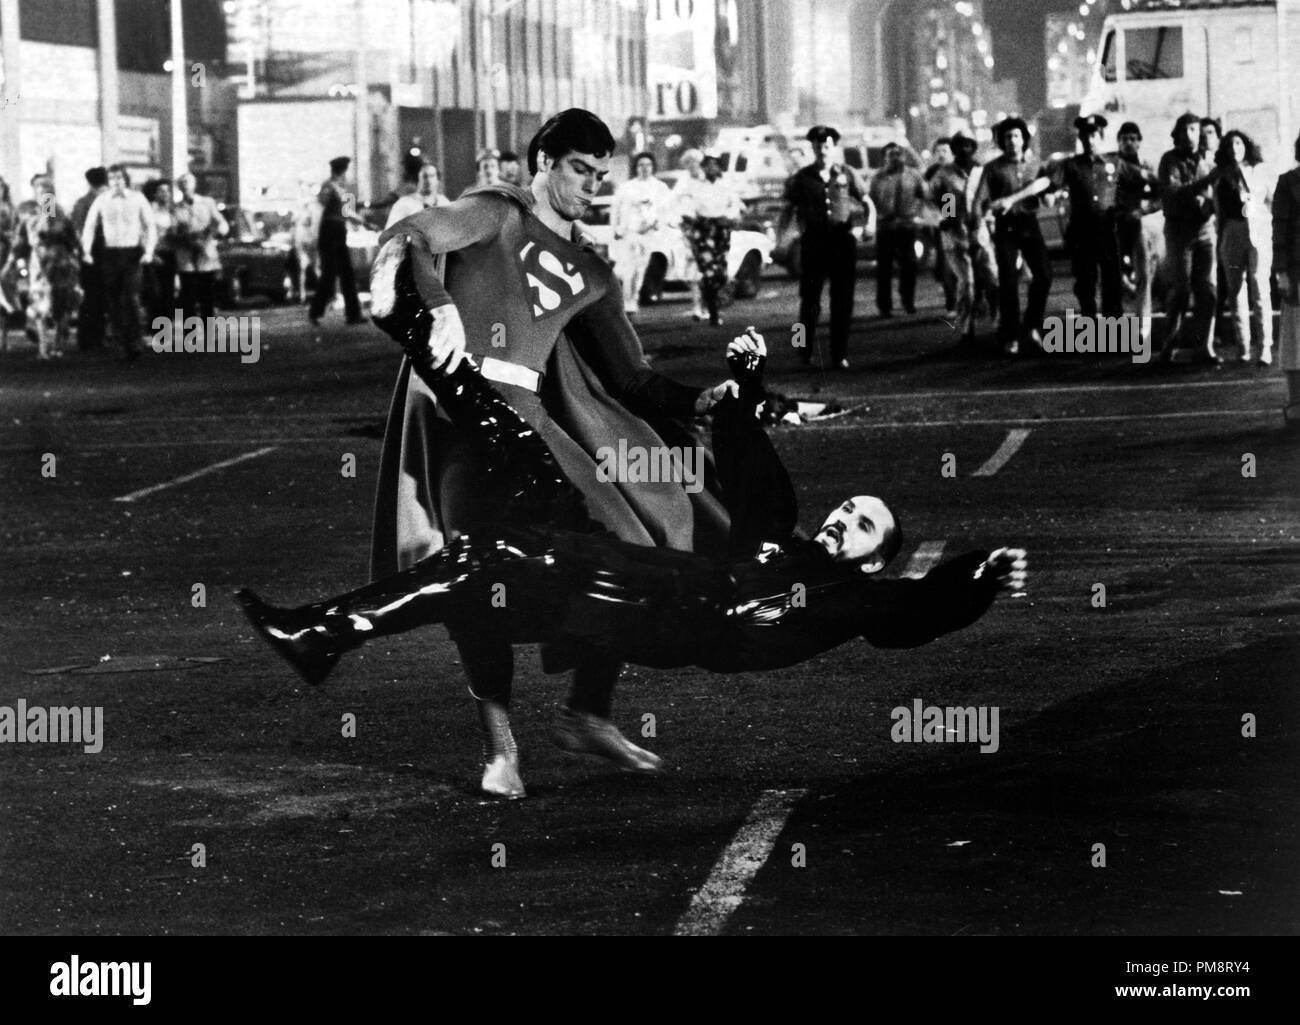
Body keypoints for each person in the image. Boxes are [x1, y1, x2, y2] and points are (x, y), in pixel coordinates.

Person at [239, 331, 1028, 720]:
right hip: (638, 579)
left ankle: (327, 634)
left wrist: (977, 574)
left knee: (491, 562)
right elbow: (746, 448)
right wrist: (749, 375)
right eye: (849, 510)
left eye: (862, 529)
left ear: (874, 560)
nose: (844, 522)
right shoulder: (774, 530)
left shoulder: (851, 601)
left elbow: (916, 611)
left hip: (662, 616)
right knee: (504, 511)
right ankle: (330, 631)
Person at [366, 108, 739, 799]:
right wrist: (441, 301)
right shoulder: (497, 212)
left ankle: (588, 712)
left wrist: (697, 402)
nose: (591, 186)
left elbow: (630, 377)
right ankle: (500, 748)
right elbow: (411, 235)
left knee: (629, 548)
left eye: (602, 174)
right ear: (543, 160)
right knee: (481, 574)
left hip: (536, 421)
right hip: (463, 419)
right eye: (578, 169)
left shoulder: (592, 268)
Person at [778, 125, 867, 369]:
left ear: (834, 147)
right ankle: (802, 350)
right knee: (808, 301)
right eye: (817, 146)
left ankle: (839, 354)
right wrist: (781, 238)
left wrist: (867, 227)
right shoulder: (802, 177)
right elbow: (787, 210)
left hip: (842, 242)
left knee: (842, 301)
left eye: (826, 145)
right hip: (814, 242)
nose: (822, 150)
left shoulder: (847, 173)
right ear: (813, 148)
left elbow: (866, 200)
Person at [972, 117, 1053, 355]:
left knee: (1044, 274)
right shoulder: (983, 169)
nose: (1012, 141)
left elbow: (1046, 192)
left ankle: (1031, 325)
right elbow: (957, 199)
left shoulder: (1034, 164)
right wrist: (957, 220)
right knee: (1001, 281)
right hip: (999, 227)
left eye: (1016, 136)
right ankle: (978, 333)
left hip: (1028, 223)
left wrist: (1048, 197)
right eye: (1007, 137)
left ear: (1024, 139)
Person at [1045, 115, 1127, 319]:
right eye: (1085, 136)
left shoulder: (1115, 163)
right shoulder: (1070, 165)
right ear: (1080, 138)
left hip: (1108, 231)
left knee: (1112, 283)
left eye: (1094, 135)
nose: (1090, 140)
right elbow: (1051, 186)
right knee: (1085, 285)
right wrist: (1048, 193)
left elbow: (1139, 179)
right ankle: (1090, 332)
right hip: (1082, 232)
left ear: (1100, 136)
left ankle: (1113, 334)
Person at [1157, 112, 1222, 363]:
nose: (1190, 135)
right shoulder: (1169, 160)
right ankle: (1169, 345)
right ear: (1177, 134)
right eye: (1185, 130)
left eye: (1194, 130)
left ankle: (1204, 346)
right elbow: (1172, 192)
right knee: (1180, 289)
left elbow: (1216, 194)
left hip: (1205, 229)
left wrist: (1208, 200)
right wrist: (1202, 185)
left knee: (1207, 289)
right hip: (1179, 231)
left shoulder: (1209, 160)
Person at [80, 164, 155, 362]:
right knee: (109, 300)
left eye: (119, 178)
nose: (115, 182)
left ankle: (131, 340)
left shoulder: (136, 198)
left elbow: (149, 225)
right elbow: (82, 226)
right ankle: (112, 341)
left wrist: (148, 250)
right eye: (112, 179)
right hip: (105, 255)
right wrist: (84, 250)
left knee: (129, 297)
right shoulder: (96, 200)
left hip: (129, 253)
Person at [1214, 130, 1274, 365]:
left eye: (1238, 143)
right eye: (1230, 145)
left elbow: (1271, 200)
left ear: (1246, 145)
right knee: (1236, 290)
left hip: (1259, 230)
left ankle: (1265, 346)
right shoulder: (1221, 177)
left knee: (1260, 289)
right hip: (1233, 231)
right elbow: (1219, 213)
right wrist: (1221, 243)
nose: (1234, 148)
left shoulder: (1260, 171)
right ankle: (1243, 347)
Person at [12, 175, 81, 360]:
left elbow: (71, 241)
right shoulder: (29, 217)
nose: (42, 193)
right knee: (39, 304)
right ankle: (43, 346)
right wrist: (20, 264)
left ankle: (58, 343)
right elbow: (21, 244)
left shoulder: (62, 217)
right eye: (39, 190)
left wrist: (74, 260)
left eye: (46, 190)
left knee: (60, 305)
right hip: (39, 266)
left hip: (60, 264)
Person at [929, 132, 981, 346]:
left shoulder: (980, 171)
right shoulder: (944, 175)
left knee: (994, 280)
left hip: (981, 235)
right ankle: (966, 329)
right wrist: (945, 219)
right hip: (956, 236)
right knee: (966, 283)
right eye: (960, 145)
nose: (964, 149)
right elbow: (940, 200)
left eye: (968, 145)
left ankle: (1001, 326)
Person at [1114, 122, 1162, 348]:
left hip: (1138, 226)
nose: (1129, 142)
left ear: (1139, 141)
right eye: (1125, 139)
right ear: (1118, 142)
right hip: (1114, 225)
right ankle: (1114, 331)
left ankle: (1143, 329)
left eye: (1133, 138)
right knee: (1116, 276)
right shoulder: (1113, 166)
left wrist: (1142, 210)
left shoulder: (1147, 166)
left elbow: (1160, 196)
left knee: (1143, 275)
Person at [869, 142, 928, 320]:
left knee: (909, 266)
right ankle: (885, 306)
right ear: (885, 157)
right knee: (884, 269)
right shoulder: (877, 178)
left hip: (907, 226)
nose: (896, 157)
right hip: (885, 228)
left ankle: (908, 301)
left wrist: (918, 214)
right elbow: (870, 202)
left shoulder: (914, 176)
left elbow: (924, 196)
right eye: (891, 154)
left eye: (898, 154)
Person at [611, 151, 671, 315]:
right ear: (636, 167)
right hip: (629, 233)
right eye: (641, 165)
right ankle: (626, 304)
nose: (644, 168)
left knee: (640, 270)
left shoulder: (660, 187)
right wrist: (616, 229)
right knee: (628, 269)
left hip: (649, 235)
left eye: (648, 165)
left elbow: (666, 211)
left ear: (653, 167)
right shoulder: (626, 187)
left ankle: (633, 300)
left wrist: (656, 224)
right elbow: (615, 209)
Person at [309, 156, 365, 326]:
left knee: (346, 273)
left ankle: (353, 315)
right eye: (344, 172)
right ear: (341, 172)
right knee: (329, 274)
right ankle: (315, 312)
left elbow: (349, 213)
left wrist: (364, 222)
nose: (345, 175)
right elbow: (319, 208)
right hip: (328, 233)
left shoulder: (344, 189)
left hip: (338, 233)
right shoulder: (328, 186)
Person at [172, 173, 228, 321]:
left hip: (206, 255)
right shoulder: (176, 208)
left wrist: (213, 233)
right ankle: (190, 338)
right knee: (188, 299)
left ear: (194, 184)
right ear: (179, 186)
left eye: (188, 181)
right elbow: (173, 230)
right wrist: (183, 238)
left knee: (207, 298)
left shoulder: (207, 203)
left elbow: (221, 224)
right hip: (186, 256)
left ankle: (208, 335)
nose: (186, 184)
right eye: (182, 182)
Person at [1273, 131, 1300, 423]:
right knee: (1295, 340)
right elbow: (1279, 233)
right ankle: (1295, 403)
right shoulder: (1288, 182)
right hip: (1296, 271)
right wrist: (1281, 272)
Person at [70, 167, 109, 350]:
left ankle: (91, 337)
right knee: (95, 296)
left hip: (91, 252)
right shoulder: (51, 202)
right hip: (97, 251)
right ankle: (92, 338)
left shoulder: (83, 202)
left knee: (93, 297)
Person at [672, 148, 708, 320]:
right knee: (693, 270)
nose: (692, 165)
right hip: (690, 229)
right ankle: (696, 306)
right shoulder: (683, 182)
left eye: (695, 161)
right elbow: (672, 201)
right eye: (688, 162)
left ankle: (707, 306)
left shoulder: (708, 179)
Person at [925, 138, 958, 317]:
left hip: (963, 223)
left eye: (945, 150)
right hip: (944, 224)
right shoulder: (932, 173)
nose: (941, 154)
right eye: (938, 151)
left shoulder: (962, 169)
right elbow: (929, 199)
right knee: (946, 264)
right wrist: (941, 218)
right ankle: (951, 304)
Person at [141, 179, 177, 327]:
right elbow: (142, 234)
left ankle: (165, 329)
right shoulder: (149, 210)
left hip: (170, 254)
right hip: (155, 254)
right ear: (154, 193)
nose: (166, 194)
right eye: (162, 191)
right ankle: (155, 328)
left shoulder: (171, 211)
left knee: (169, 291)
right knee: (156, 292)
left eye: (168, 191)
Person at [385, 162, 450, 228]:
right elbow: (390, 231)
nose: (428, 180)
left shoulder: (444, 202)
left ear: (437, 180)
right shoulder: (404, 203)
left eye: (432, 176)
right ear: (418, 179)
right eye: (424, 177)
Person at [292, 179, 320, 304]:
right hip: (307, 237)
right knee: (312, 267)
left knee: (307, 267)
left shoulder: (304, 207)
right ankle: (308, 294)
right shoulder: (310, 206)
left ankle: (305, 294)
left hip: (305, 236)